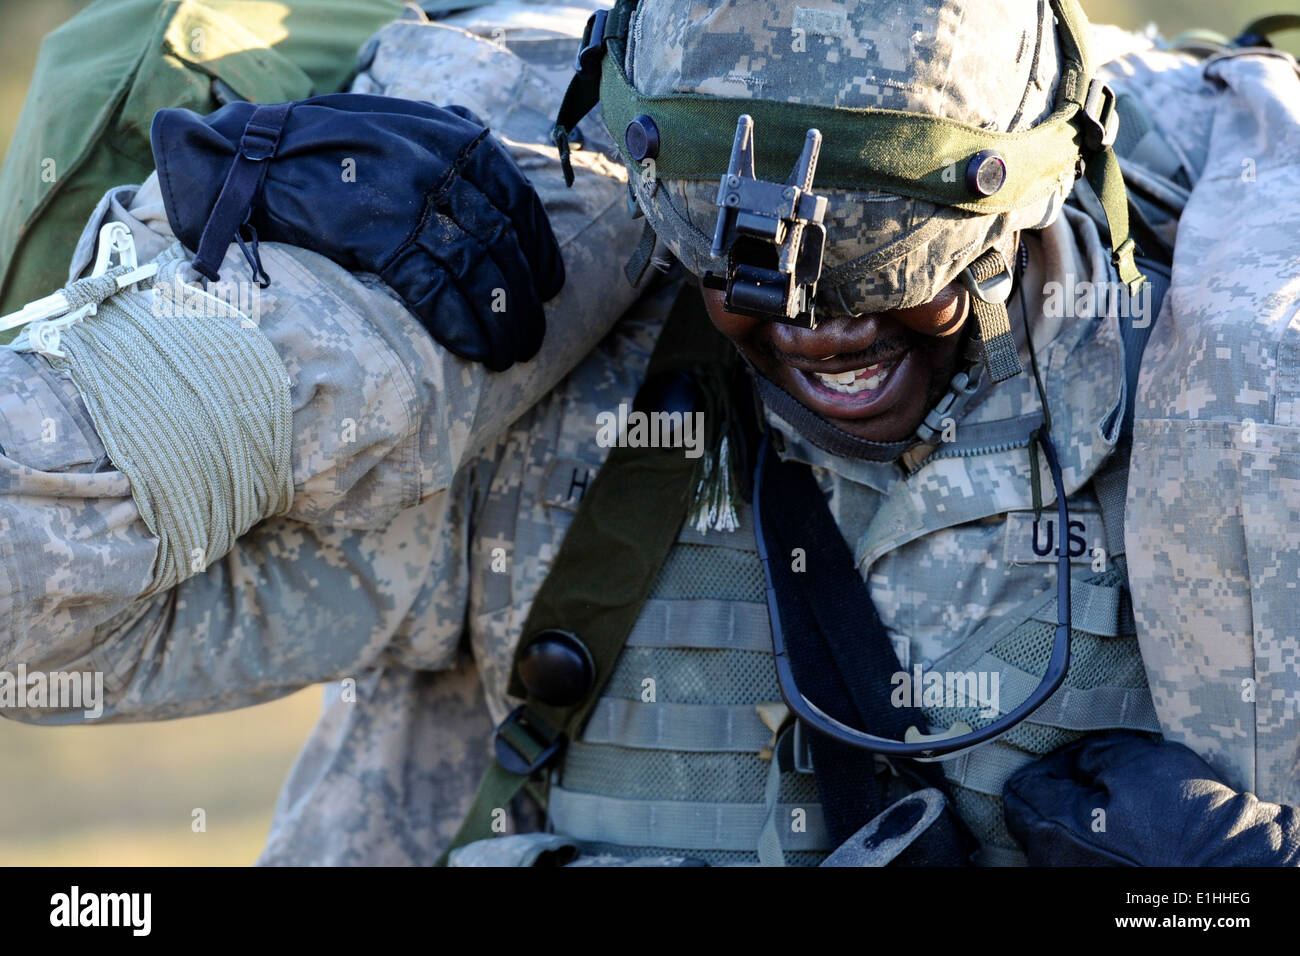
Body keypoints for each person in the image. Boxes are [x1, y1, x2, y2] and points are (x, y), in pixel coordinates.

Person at [3, 0, 1299, 866]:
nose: (818, 325)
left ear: (1034, 183)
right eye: (746, 265)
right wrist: (290, 336)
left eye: (887, 262)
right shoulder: (549, 396)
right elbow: (38, 632)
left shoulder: (1211, 405)